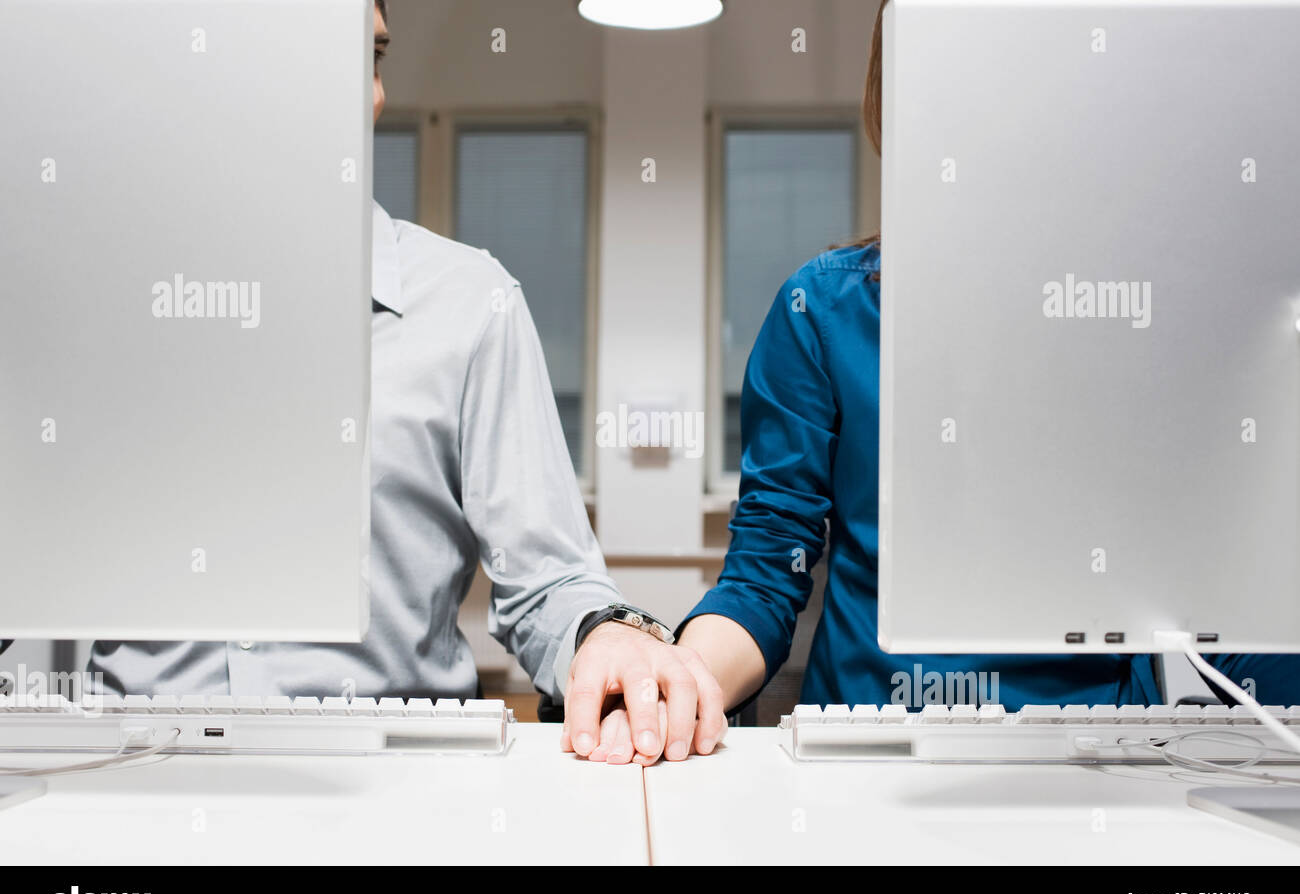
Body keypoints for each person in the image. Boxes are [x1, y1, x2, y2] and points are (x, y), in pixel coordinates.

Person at [587, 0, 1300, 755]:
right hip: (871, 744)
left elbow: (1233, 592)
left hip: (1099, 751)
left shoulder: (1151, 313)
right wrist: (682, 679)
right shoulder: (822, 310)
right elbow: (768, 569)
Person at [89, 0, 726, 767]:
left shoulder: (471, 304)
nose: (369, 95)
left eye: (375, 59)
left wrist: (605, 633)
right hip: (125, 775)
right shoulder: (94, 292)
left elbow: (548, 579)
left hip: (400, 785)